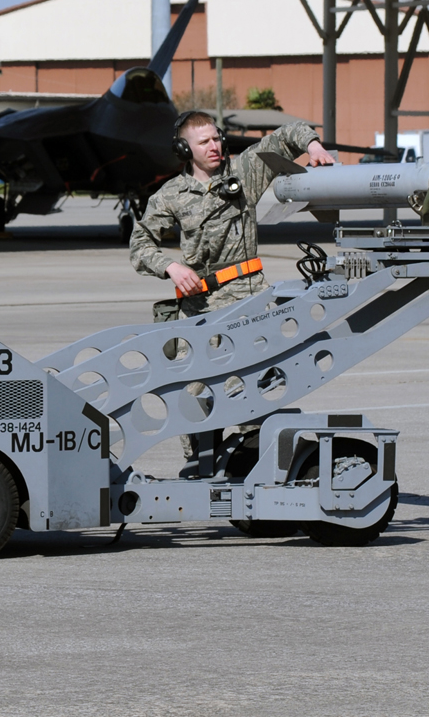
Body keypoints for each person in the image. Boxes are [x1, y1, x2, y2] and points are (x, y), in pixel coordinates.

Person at [129, 111, 334, 472]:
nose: (214, 146)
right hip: (199, 309)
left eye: (216, 138)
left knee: (250, 390)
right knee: (187, 397)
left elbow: (287, 133)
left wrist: (313, 145)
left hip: (247, 300)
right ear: (184, 149)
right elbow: (140, 242)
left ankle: (259, 465)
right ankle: (201, 466)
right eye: (203, 141)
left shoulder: (245, 173)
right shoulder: (172, 195)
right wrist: (172, 267)